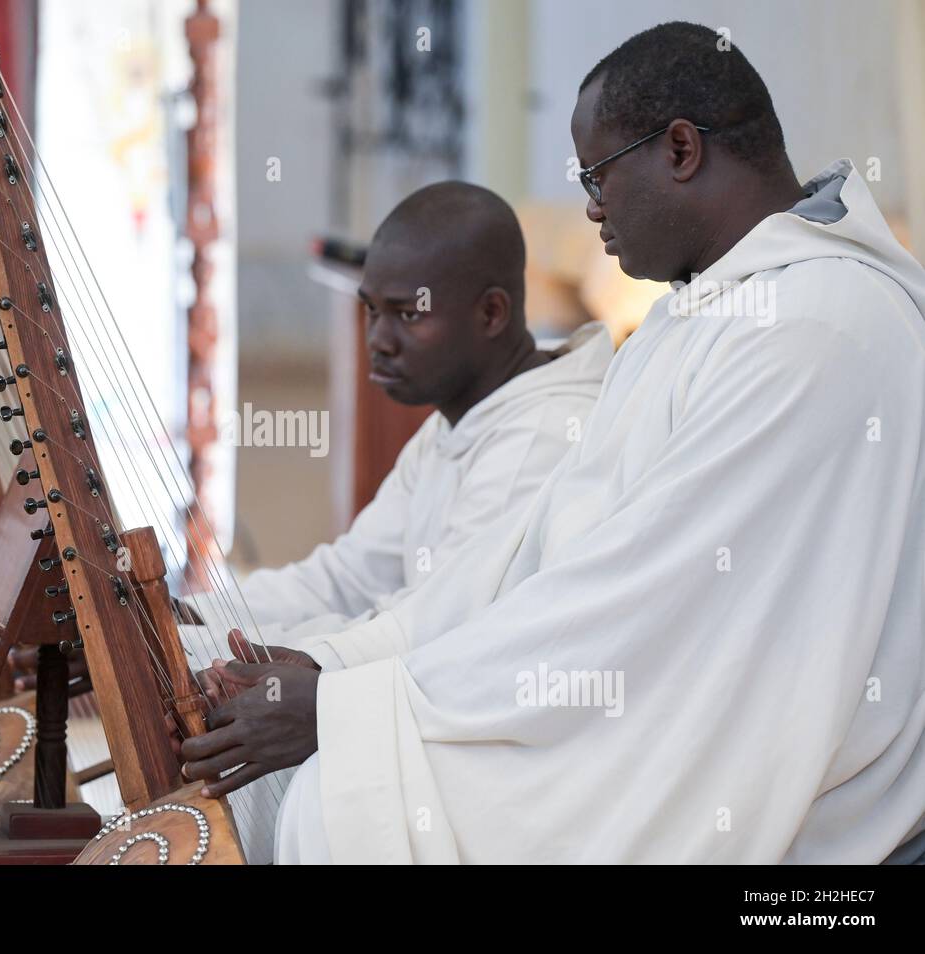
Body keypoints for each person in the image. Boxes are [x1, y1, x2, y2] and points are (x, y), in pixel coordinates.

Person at [182, 21, 925, 864]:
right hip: (653, 704)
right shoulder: (697, 315)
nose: (591, 207)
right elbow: (517, 564)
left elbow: (636, 602)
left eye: (597, 174)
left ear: (681, 149)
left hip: (767, 781)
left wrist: (347, 706)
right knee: (318, 787)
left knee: (343, 807)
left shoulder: (810, 327)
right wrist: (330, 666)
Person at [224, 181, 611, 639]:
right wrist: (199, 615)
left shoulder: (540, 436)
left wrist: (250, 653)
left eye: (407, 314)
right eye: (372, 310)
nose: (378, 341)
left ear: (491, 314)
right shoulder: (457, 419)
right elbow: (348, 579)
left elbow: (425, 632)